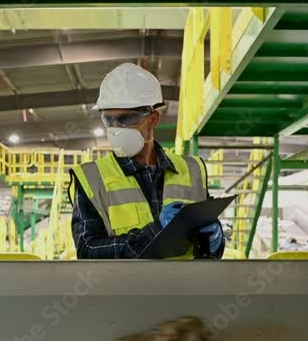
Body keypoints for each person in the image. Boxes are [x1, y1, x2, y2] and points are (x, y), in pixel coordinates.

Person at [70, 63, 224, 259]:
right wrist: (153, 233)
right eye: (108, 120)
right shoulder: (91, 179)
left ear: (153, 118)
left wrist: (214, 243)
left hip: (184, 288)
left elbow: (206, 248)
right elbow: (88, 250)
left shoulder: (192, 170)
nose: (116, 128)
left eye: (126, 119)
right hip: (126, 290)